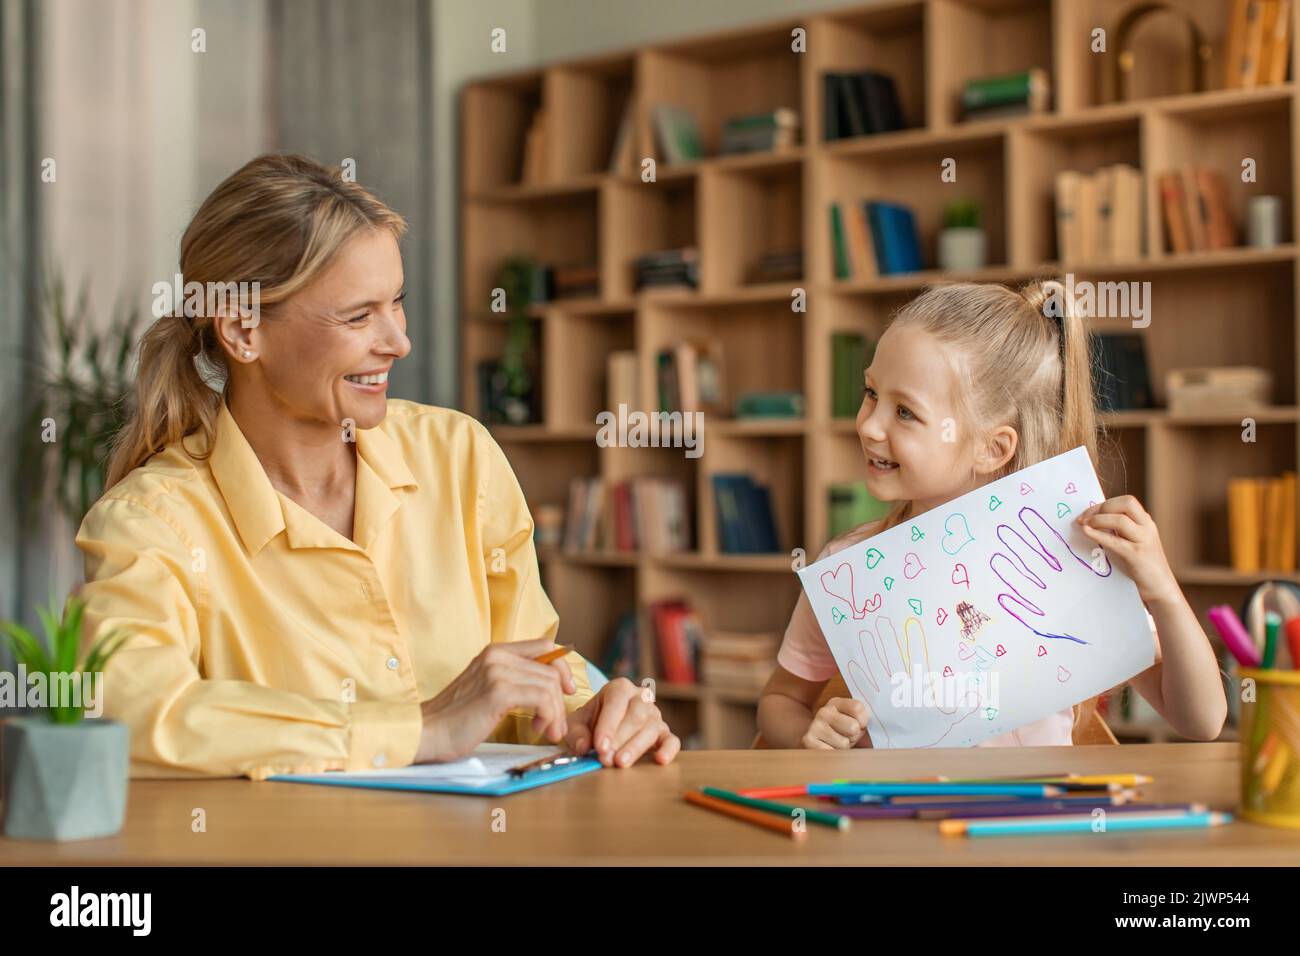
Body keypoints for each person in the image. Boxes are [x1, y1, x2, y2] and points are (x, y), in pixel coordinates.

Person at [77, 153, 679, 779]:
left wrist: (588, 714)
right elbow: (131, 712)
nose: (398, 341)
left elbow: (538, 678)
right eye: (359, 315)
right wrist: (421, 730)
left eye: (397, 302)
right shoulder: (150, 523)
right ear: (242, 330)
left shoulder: (460, 458)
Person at [757, 280, 1227, 749]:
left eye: (905, 413)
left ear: (991, 447)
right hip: (898, 818)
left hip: (1035, 820)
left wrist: (1162, 590)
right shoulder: (848, 569)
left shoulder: (1071, 558)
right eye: (871, 393)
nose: (869, 424)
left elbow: (1201, 719)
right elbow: (781, 701)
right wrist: (809, 740)